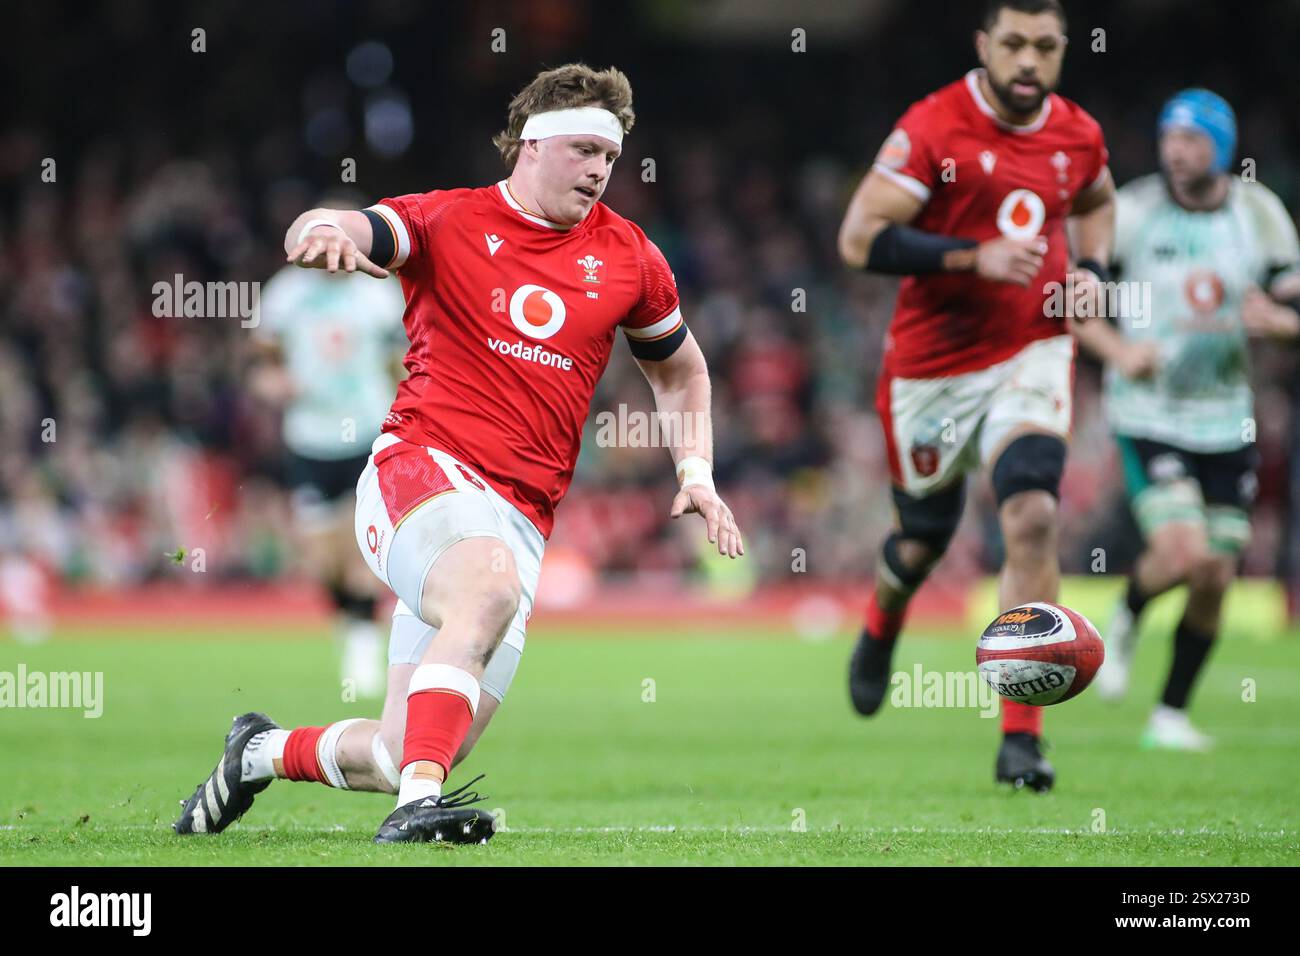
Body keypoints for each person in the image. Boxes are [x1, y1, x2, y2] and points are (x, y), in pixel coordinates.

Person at [175, 63, 744, 844]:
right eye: (584, 150)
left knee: (405, 747)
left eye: (610, 157)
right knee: (483, 592)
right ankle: (417, 810)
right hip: (421, 470)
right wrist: (321, 231)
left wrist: (696, 471)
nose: (599, 170)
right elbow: (350, 226)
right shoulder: (449, 219)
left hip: (521, 520)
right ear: (532, 145)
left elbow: (680, 370)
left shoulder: (629, 256)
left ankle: (258, 753)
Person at [837, 0, 1113, 791]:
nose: (1029, 61)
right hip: (933, 370)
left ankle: (1022, 737)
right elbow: (858, 238)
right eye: (1014, 43)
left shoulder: (1078, 134)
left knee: (1033, 514)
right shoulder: (933, 127)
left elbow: (1097, 199)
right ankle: (884, 618)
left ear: (1063, 49)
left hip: (1033, 348)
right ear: (984, 45)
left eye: (1046, 46)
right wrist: (972, 257)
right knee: (922, 542)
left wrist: (1094, 270)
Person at [1078, 89, 1300, 749]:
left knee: (1214, 574)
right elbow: (1072, 303)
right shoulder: (1133, 212)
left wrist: (1280, 324)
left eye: (1193, 140)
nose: (1176, 151)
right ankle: (1127, 613)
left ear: (1222, 148)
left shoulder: (1258, 213)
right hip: (1149, 411)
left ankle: (1169, 715)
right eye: (1169, 137)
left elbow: (1293, 303)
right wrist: (1121, 351)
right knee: (1183, 553)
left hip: (1226, 417)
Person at [251, 205, 408, 698]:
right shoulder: (285, 293)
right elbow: (263, 361)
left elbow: (399, 360)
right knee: (321, 559)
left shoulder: (378, 292)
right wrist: (273, 382)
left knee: (362, 547)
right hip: (309, 437)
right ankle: (353, 622)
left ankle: (363, 645)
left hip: (367, 433)